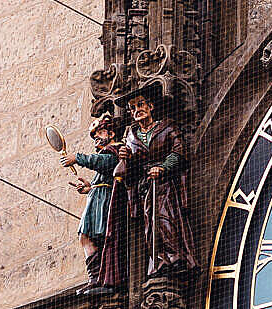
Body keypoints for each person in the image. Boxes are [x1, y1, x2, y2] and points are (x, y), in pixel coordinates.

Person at [109, 82, 194, 278]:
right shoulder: (130, 136)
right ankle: (159, 260)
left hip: (165, 182)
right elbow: (127, 172)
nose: (137, 110)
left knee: (164, 218)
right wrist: (126, 158)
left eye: (140, 105)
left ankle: (176, 256)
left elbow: (179, 150)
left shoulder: (167, 126)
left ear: (150, 107)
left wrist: (164, 167)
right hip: (145, 186)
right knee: (150, 224)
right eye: (132, 108)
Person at [62, 115, 123, 294]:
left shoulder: (115, 151)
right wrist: (89, 188)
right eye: (94, 134)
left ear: (111, 133)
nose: (96, 136)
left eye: (100, 132)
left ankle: (102, 278)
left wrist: (78, 158)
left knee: (100, 237)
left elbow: (106, 164)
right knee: (86, 237)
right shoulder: (107, 152)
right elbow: (104, 176)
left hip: (106, 202)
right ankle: (95, 277)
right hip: (97, 199)